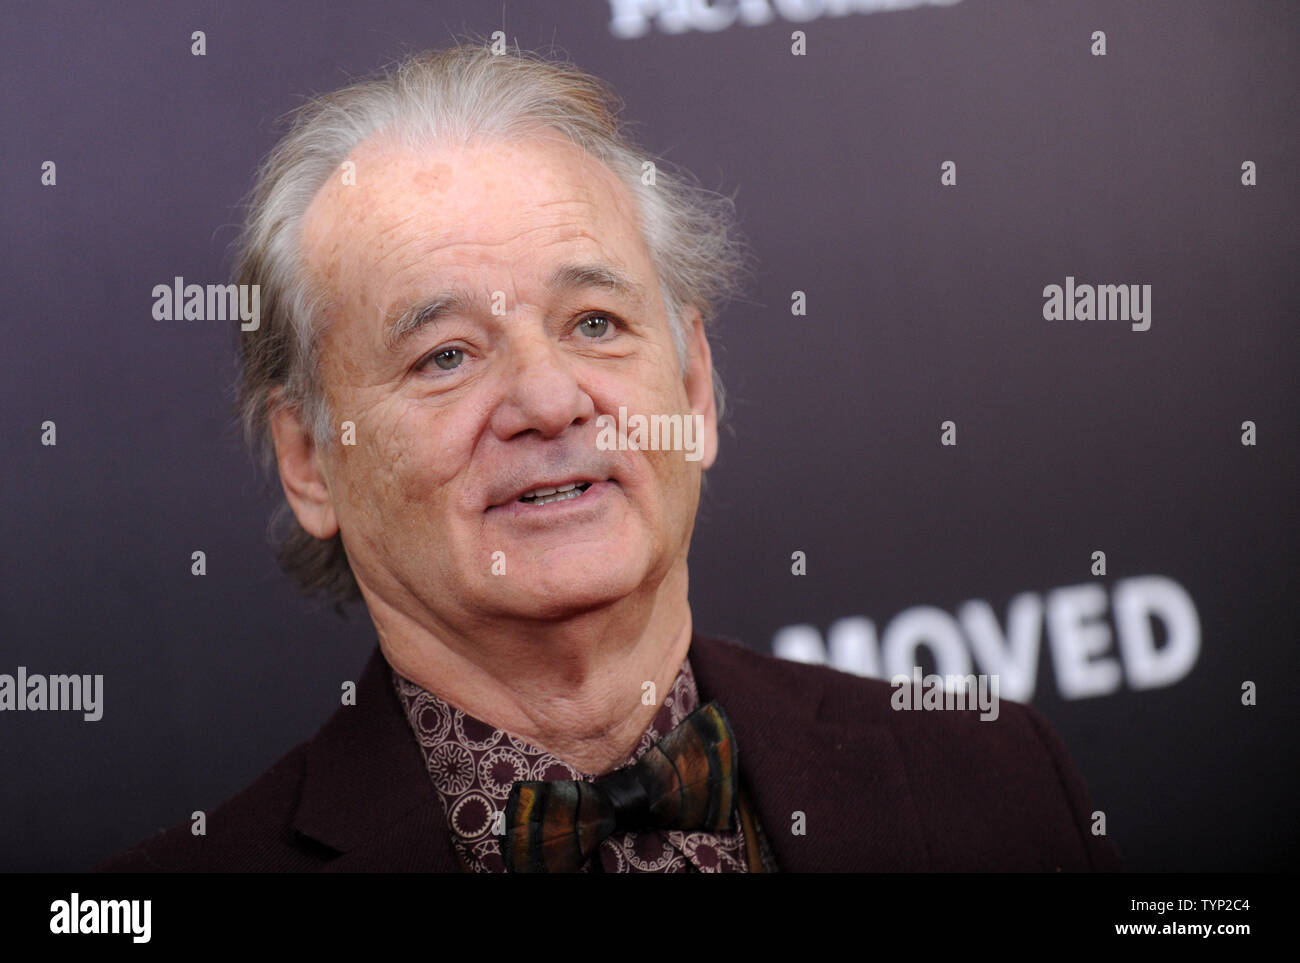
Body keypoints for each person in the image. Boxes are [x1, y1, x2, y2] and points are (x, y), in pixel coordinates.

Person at [97, 44, 1121, 873]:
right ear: (309, 459)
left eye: (593, 323)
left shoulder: (986, 773)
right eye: (445, 354)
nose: (548, 400)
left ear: (689, 387)